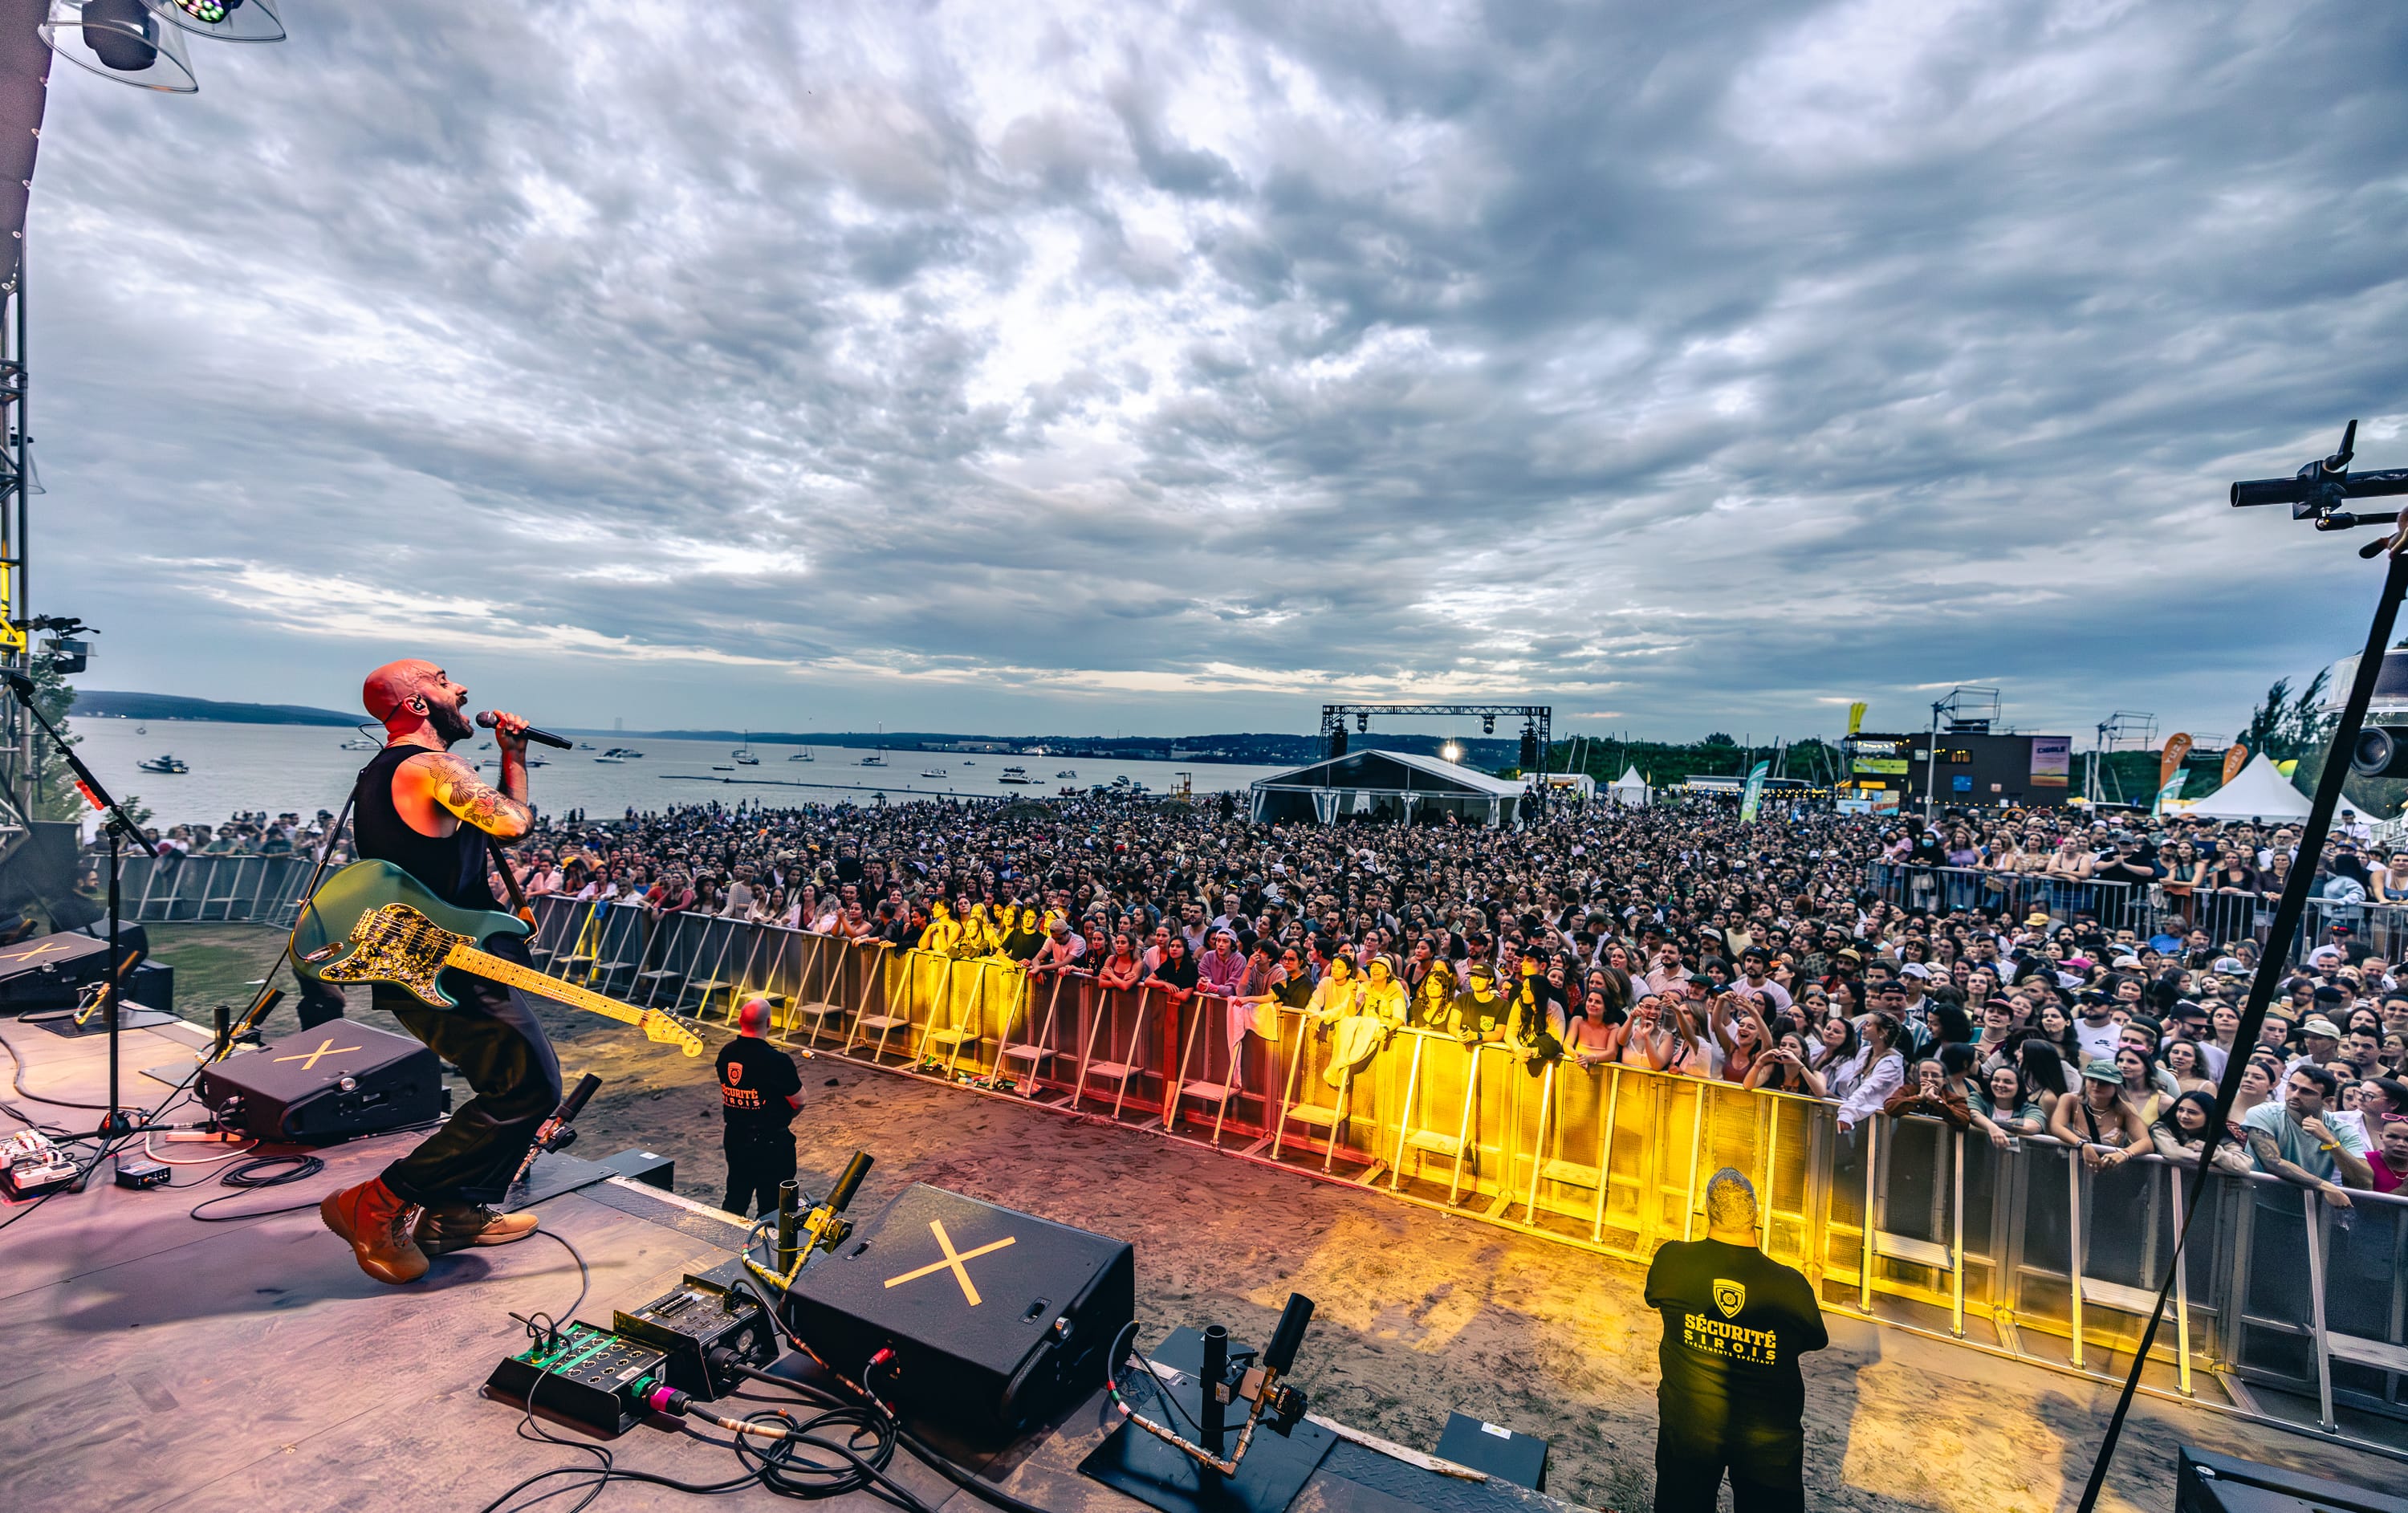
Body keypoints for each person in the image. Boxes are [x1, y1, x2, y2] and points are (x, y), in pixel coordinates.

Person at [315, 659, 563, 1285]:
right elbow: (511, 823)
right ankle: (377, 1201)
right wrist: (517, 761)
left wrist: (509, 755)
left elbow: (491, 836)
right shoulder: (428, 765)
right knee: (530, 1088)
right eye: (444, 679)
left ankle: (454, 1213)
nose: (463, 688)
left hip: (432, 957)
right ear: (418, 705)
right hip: (446, 962)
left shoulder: (381, 771)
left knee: (510, 1083)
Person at [1643, 1168, 1827, 1513]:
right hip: (1767, 1440)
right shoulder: (1790, 1287)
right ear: (1755, 1216)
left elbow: (1653, 1297)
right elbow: (1813, 1339)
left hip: (1690, 1428)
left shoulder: (1672, 1262)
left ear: (1706, 1210)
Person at [2240, 1065, 2374, 1208]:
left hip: (2308, 1212)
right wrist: (2323, 1185)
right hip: (2256, 1204)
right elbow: (2272, 1163)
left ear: (2328, 1101)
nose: (2295, 1095)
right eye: (2292, 1087)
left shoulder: (2342, 1129)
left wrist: (2331, 1142)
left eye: (2306, 1092)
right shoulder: (2263, 1113)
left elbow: (2364, 1182)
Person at [718, 998, 803, 1217]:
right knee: (773, 1206)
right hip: (771, 1143)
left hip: (735, 1138)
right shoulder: (777, 1061)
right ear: (769, 1023)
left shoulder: (727, 1053)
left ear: (739, 1020)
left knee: (735, 1197)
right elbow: (800, 1100)